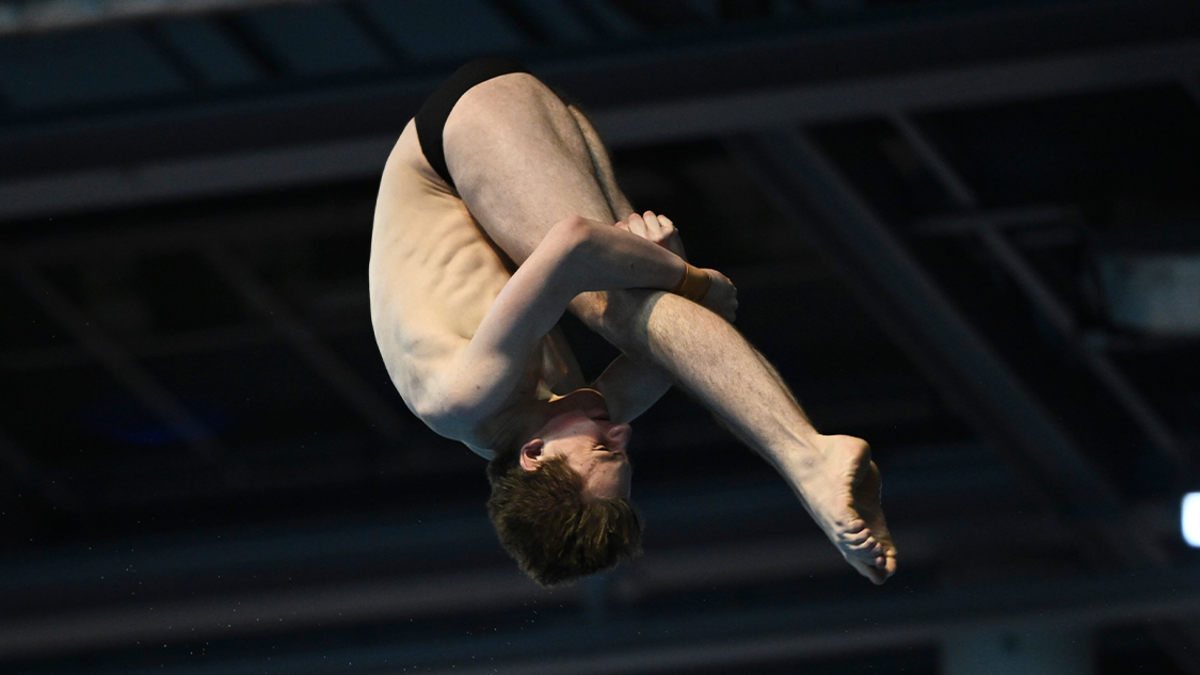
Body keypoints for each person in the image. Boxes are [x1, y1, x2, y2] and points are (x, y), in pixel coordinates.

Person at [369, 57, 897, 587]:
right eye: (620, 449)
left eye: (604, 447)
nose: (620, 431)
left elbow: (574, 244)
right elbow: (692, 351)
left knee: (614, 304)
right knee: (644, 310)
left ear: (533, 455)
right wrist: (673, 281)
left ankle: (808, 459)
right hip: (515, 128)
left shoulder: (461, 398)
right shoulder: (558, 417)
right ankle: (810, 464)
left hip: (455, 138)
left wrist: (685, 277)